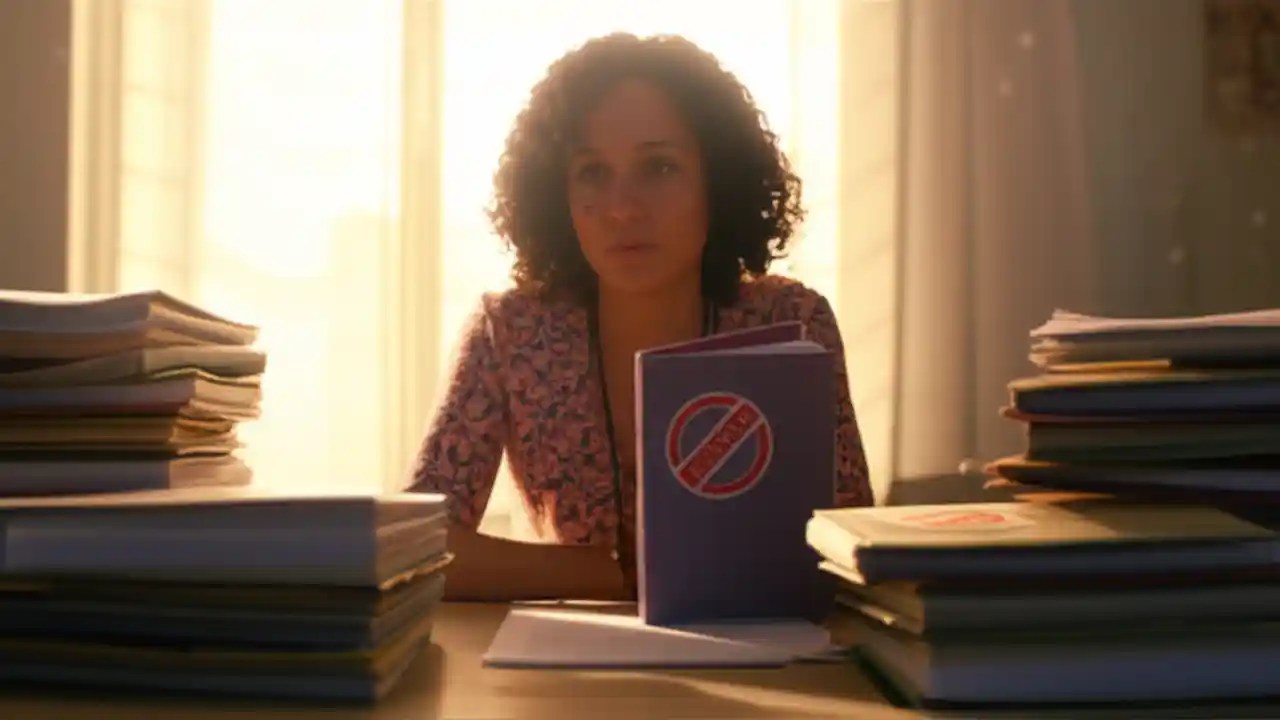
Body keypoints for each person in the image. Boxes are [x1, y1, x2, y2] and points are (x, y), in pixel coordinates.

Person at [408, 32, 873, 601]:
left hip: (773, 665)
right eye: (592, 173)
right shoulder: (509, 332)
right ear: (557, 193)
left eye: (658, 168)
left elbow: (853, 549)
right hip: (574, 669)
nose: (624, 208)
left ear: (717, 180)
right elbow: (418, 546)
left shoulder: (791, 324)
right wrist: (624, 577)